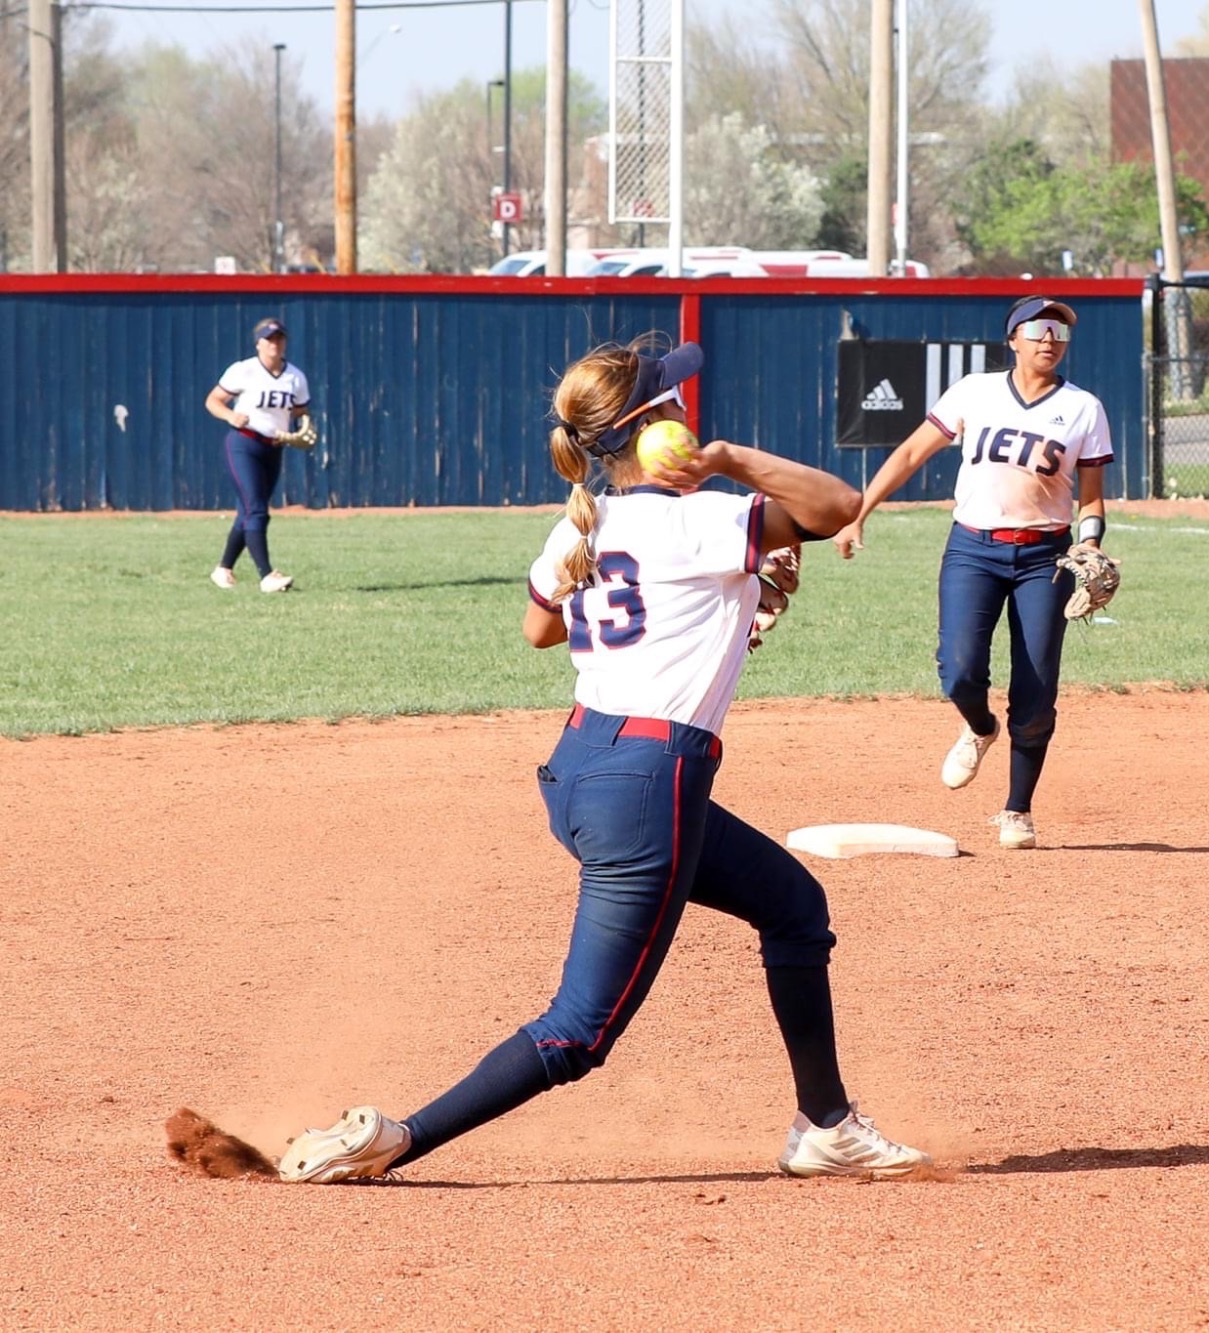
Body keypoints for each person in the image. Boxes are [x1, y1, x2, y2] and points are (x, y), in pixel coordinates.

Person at [278, 338, 931, 1183]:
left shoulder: (586, 520)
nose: (688, 407)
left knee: (794, 905)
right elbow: (840, 504)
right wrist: (729, 461)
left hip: (586, 764)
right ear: (654, 426)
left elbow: (540, 627)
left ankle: (828, 1126)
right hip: (647, 786)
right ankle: (396, 1138)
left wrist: (718, 606)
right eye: (674, 400)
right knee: (581, 1027)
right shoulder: (699, 515)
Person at [832, 296, 1115, 850]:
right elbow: (913, 452)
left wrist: (1090, 545)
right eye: (1037, 329)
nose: (1049, 339)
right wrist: (860, 513)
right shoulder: (975, 391)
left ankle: (1017, 809)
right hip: (973, 548)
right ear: (1013, 339)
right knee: (959, 670)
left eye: (1059, 330)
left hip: (1046, 558)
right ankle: (981, 728)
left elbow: (1092, 499)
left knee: (1036, 688)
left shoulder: (1084, 408)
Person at [204, 317, 311, 593]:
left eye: (279, 338)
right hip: (244, 443)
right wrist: (230, 415)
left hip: (273, 447)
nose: (275, 343)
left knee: (248, 512)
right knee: (257, 510)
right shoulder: (244, 370)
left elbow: (300, 413)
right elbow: (213, 401)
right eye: (269, 338)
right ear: (258, 343)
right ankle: (267, 576)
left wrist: (304, 429)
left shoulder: (295, 377)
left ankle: (223, 568)